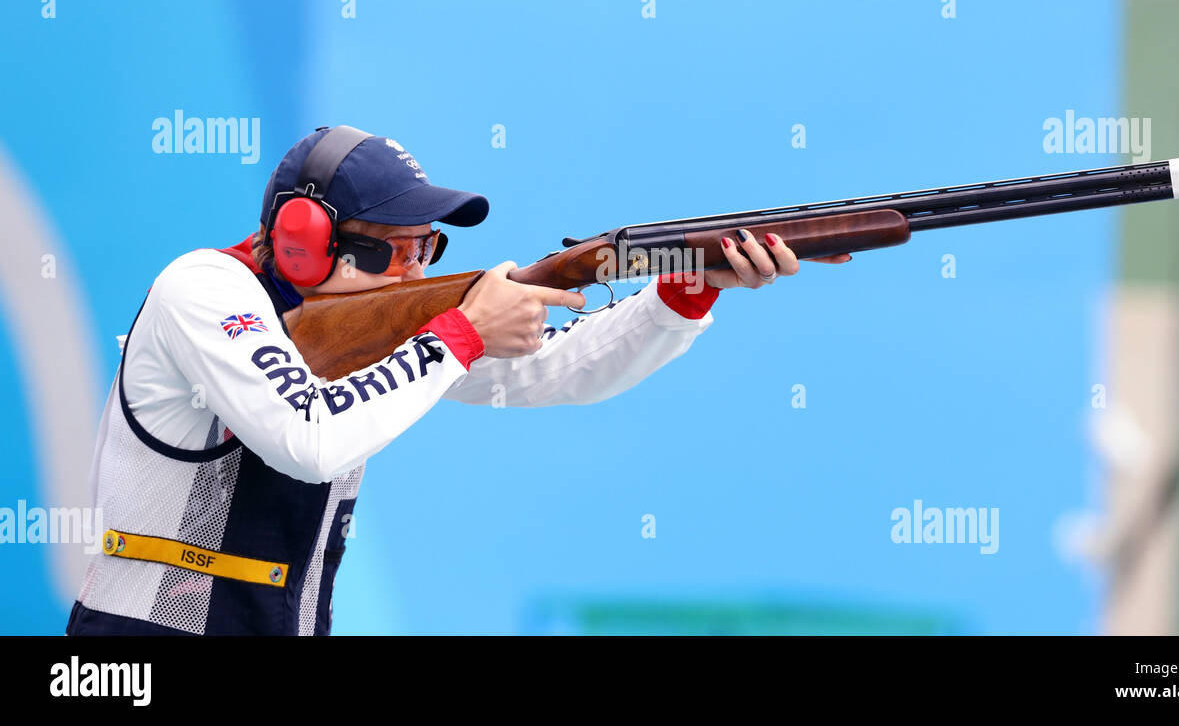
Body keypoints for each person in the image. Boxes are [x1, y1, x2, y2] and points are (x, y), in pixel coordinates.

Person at [65, 126, 850, 635]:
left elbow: (553, 374)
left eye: (424, 250)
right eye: (384, 252)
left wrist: (685, 288)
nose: (407, 273)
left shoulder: (384, 327)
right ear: (300, 243)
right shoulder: (203, 289)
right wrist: (464, 330)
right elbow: (307, 435)